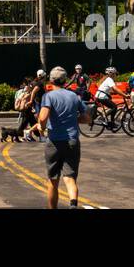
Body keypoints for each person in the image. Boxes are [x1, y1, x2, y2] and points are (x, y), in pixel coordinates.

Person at [36, 66, 90, 209]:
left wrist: (41, 127)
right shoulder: (74, 96)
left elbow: (43, 117)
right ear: (65, 80)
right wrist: (73, 119)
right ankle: (73, 204)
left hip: (54, 142)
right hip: (72, 141)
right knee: (70, 178)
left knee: (53, 180)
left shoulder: (48, 96)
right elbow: (86, 118)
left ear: (51, 80)